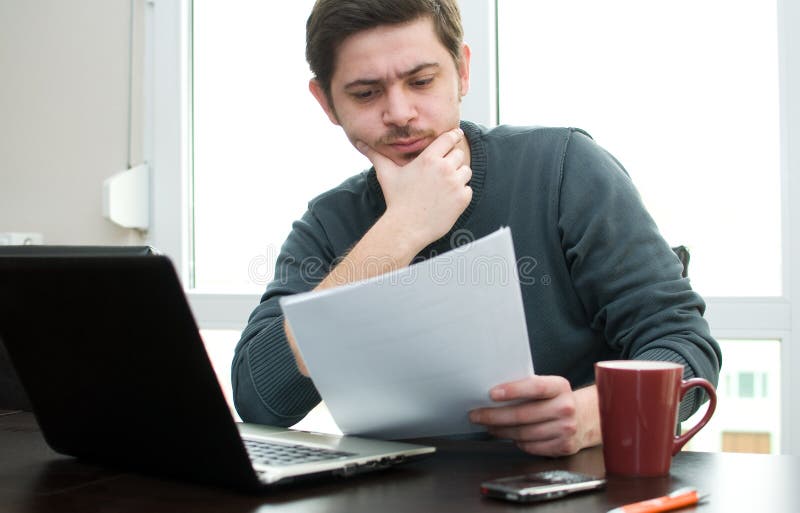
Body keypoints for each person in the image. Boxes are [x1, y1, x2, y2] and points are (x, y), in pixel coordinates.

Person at [232, 0, 721, 457]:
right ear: (326, 103)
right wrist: (400, 230)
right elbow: (260, 398)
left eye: (421, 81)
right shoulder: (328, 223)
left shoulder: (564, 169)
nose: (400, 113)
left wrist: (591, 417)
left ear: (462, 71)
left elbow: (685, 345)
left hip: (574, 489)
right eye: (366, 93)